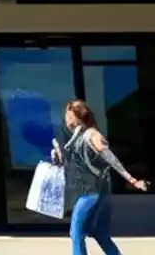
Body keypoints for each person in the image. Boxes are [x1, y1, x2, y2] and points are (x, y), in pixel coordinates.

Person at [51, 100, 147, 255]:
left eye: (70, 117)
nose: (67, 121)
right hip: (97, 192)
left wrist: (132, 180)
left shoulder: (91, 135)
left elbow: (111, 159)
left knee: (76, 233)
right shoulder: (77, 136)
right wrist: (57, 154)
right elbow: (70, 158)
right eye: (66, 117)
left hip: (92, 192)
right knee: (100, 233)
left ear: (79, 116)